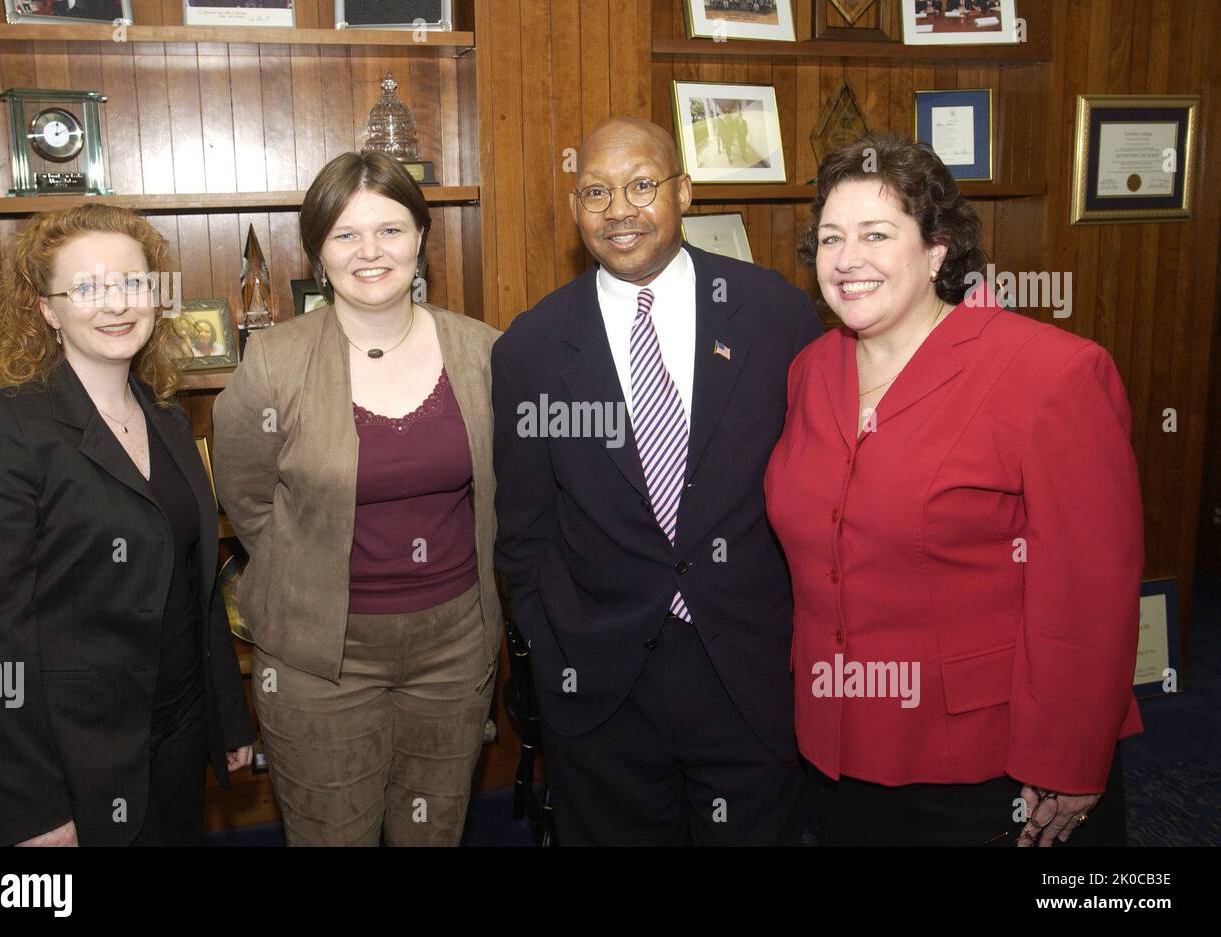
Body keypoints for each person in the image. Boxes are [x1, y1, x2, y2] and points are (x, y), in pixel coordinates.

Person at [765, 134, 1143, 846]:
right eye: (831, 237)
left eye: (877, 233)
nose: (847, 259)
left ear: (937, 250)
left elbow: (1089, 590)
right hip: (838, 741)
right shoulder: (810, 371)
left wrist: (1070, 757)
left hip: (989, 762)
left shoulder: (1051, 374)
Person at [492, 117, 821, 845]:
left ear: (684, 191)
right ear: (574, 207)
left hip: (747, 670)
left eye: (642, 185)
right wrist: (556, 651)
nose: (620, 211)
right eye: (596, 192)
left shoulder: (777, 317)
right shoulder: (532, 350)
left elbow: (817, 498)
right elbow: (524, 533)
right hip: (602, 688)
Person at [0, 203, 255, 847]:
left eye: (131, 282)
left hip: (177, 736)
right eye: (84, 287)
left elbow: (196, 589)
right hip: (70, 762)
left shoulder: (167, 417)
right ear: (46, 309)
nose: (114, 304)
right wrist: (35, 811)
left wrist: (228, 719)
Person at [212, 151, 502, 846]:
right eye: (345, 234)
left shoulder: (484, 352)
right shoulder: (274, 362)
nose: (370, 252)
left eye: (390, 230)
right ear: (318, 251)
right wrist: (308, 575)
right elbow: (247, 499)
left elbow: (505, 492)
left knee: (432, 832)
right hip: (320, 658)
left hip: (455, 647)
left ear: (421, 239)